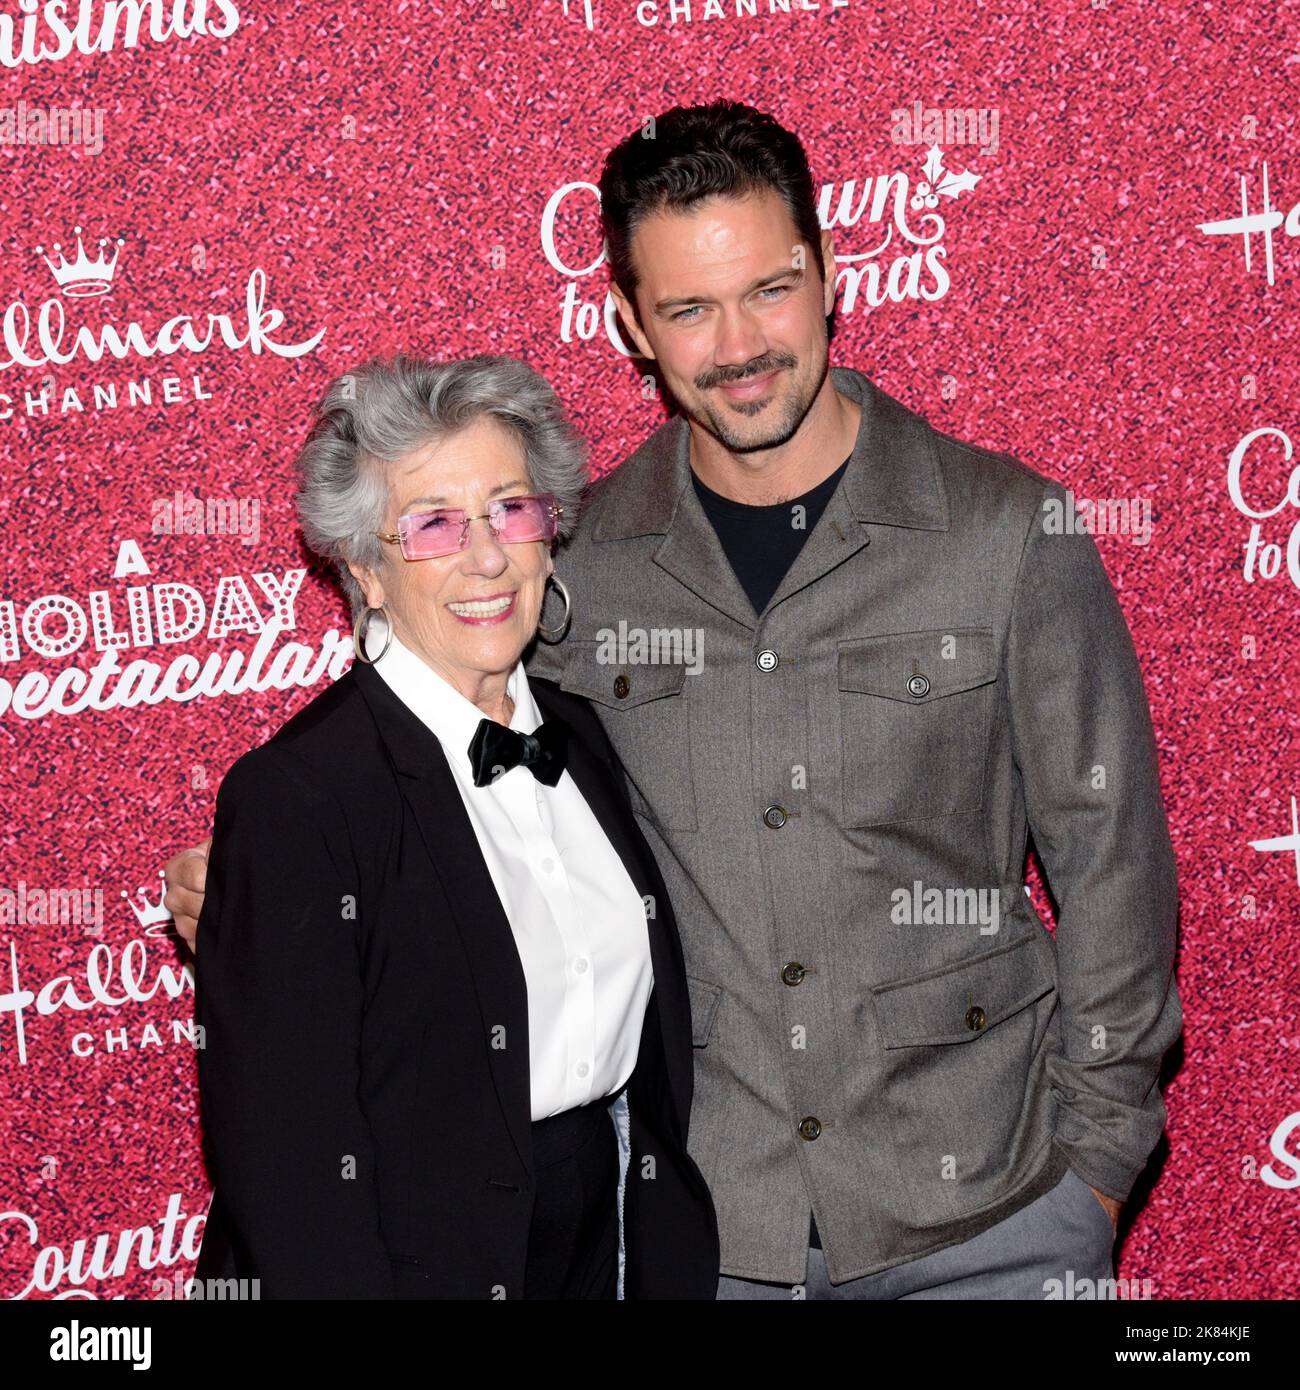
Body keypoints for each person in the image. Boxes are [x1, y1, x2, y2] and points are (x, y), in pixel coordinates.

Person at [170, 100, 1182, 1300]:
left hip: (991, 1219)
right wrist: (271, 875)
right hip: (710, 1237)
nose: (739, 344)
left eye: (768, 289)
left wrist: (1095, 1168)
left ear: (829, 274)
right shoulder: (576, 559)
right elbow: (436, 739)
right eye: (690, 309)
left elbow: (1110, 863)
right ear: (629, 325)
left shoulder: (1007, 533)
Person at [189, 351, 719, 1299]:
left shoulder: (585, 739)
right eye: (433, 524)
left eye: (511, 509)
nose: (487, 557)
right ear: (366, 570)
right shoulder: (300, 799)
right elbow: (291, 1174)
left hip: (603, 1249)